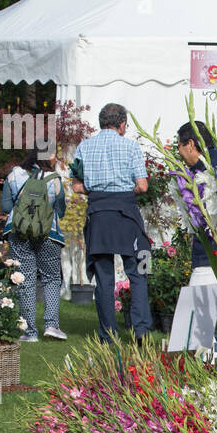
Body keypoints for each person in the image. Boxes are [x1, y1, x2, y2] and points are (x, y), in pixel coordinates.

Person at [72, 102, 152, 341]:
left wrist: (99, 190)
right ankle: (141, 330)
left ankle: (108, 334)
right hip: (127, 215)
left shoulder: (84, 147)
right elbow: (143, 185)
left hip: (98, 216)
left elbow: (76, 186)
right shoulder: (131, 147)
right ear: (122, 125)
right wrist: (126, 190)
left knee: (104, 277)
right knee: (139, 271)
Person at [1, 149, 68, 342]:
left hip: (19, 233)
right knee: (52, 278)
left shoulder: (15, 174)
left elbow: (6, 207)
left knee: (26, 279)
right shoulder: (54, 178)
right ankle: (52, 326)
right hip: (49, 234)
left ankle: (30, 332)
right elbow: (60, 211)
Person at [175, 120, 217, 286]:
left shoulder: (208, 171)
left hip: (208, 259)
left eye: (179, 145)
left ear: (190, 144)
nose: (179, 151)